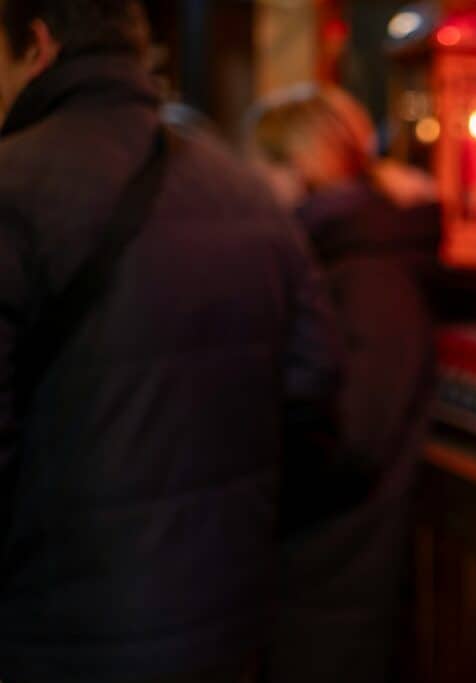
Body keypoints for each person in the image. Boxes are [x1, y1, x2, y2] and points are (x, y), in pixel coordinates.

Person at [0, 2, 340, 682]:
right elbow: (314, 386)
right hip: (226, 624)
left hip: (54, 635)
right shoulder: (249, 196)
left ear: (36, 45)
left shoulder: (13, 186)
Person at [245, 84, 439, 683]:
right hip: (318, 567)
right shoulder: (333, 254)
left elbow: (356, 437)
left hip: (334, 573)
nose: (254, 189)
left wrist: (260, 465)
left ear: (298, 168)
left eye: (262, 170)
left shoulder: (366, 269)